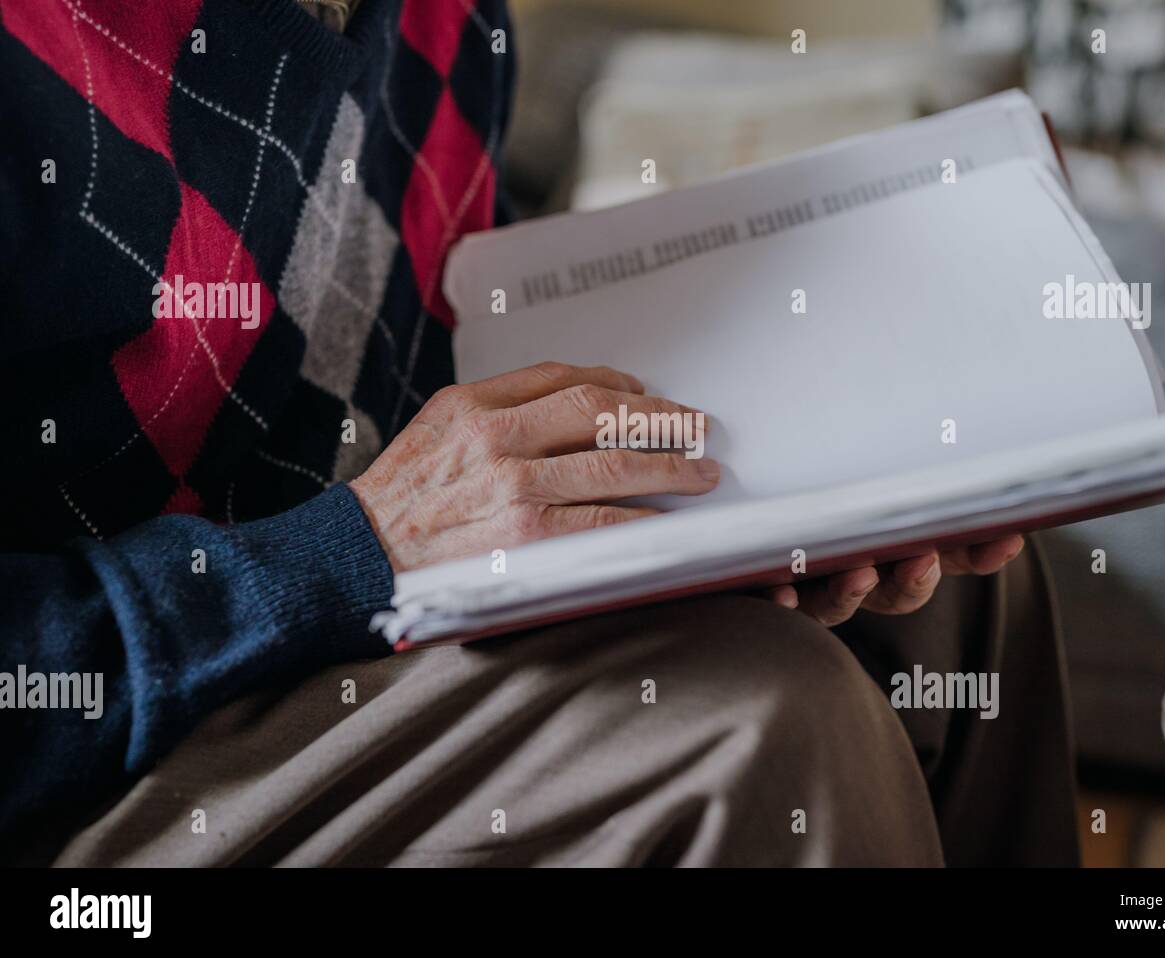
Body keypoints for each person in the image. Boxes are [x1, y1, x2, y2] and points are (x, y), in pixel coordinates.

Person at [0, 0, 1076, 865]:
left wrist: (701, 521)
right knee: (763, 722)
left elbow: (424, 357)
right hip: (95, 752)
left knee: (956, 590)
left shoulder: (448, 23)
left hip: (350, 628)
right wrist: (349, 554)